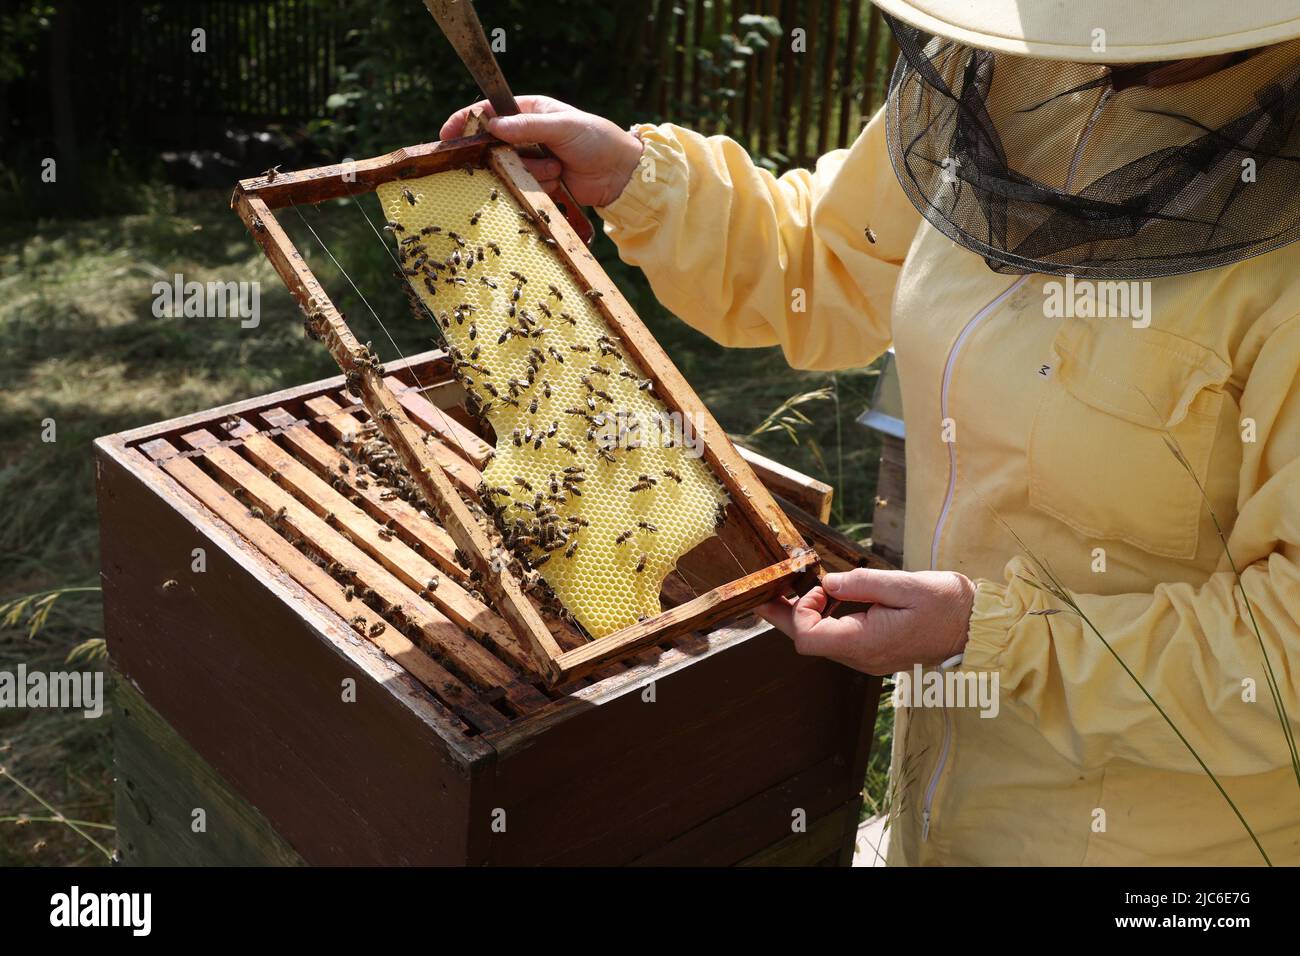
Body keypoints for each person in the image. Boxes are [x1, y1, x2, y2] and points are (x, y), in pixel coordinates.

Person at [442, 0, 1300, 865]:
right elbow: (826, 259)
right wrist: (634, 177)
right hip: (941, 802)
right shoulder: (1018, 73)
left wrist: (991, 635)